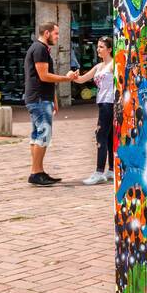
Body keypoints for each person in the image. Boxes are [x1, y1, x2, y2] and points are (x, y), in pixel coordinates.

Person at [23, 20, 78, 187]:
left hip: (40, 98)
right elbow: (44, 76)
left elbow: (45, 78)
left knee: (37, 135)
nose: (57, 37)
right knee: (43, 134)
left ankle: (38, 171)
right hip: (39, 99)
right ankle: (35, 173)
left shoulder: (41, 49)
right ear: (46, 33)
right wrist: (67, 78)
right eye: (55, 33)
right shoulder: (39, 49)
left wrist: (54, 99)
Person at [74, 37, 115, 185]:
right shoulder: (98, 67)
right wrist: (72, 76)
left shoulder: (114, 65)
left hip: (109, 103)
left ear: (109, 49)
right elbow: (82, 79)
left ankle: (99, 172)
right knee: (108, 137)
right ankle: (111, 170)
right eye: (98, 47)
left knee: (101, 136)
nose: (98, 49)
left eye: (102, 47)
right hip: (102, 103)